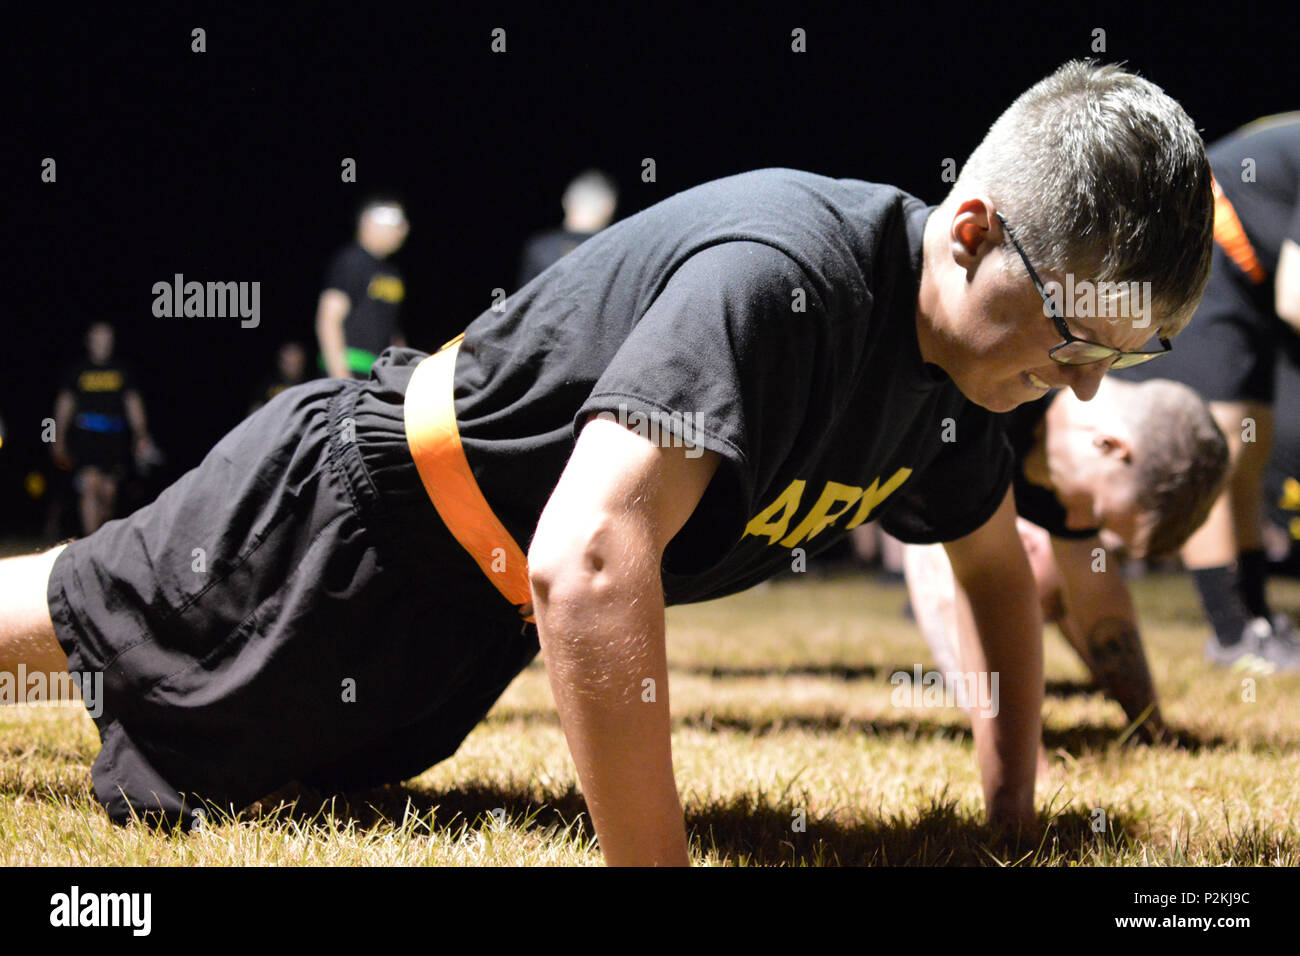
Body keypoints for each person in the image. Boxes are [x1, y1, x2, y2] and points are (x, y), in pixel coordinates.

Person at [0, 62, 1215, 865]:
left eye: (1127, 353)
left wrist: (1010, 812)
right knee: (64, 616)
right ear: (970, 234)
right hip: (349, 509)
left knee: (243, 792)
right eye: (1074, 336)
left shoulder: (956, 390)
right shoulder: (786, 278)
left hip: (462, 618)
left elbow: (998, 573)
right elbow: (588, 556)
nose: (1090, 384)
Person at [904, 377, 1231, 747]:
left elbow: (1098, 601)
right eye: (1095, 511)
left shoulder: (1067, 462)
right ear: (1110, 445)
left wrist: (1152, 728)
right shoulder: (999, 382)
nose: (1078, 524)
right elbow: (958, 583)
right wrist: (1021, 768)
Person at [1117, 113, 1300, 670]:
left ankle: (1258, 620)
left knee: (1250, 445)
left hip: (1246, 273)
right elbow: (1297, 297)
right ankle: (1231, 634)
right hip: (1205, 243)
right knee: (1218, 448)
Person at [51, 322, 155, 535]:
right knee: (90, 485)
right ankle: (90, 543)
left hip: (114, 439)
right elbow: (64, 405)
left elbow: (133, 403)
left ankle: (100, 532)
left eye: (107, 338)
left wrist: (141, 434)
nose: (103, 343)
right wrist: (58, 438)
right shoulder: (78, 371)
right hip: (85, 436)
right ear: (89, 341)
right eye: (98, 338)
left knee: (109, 492)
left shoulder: (121, 371)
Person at [316, 198, 409, 380]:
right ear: (367, 222)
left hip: (379, 374)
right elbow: (328, 320)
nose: (402, 229)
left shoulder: (393, 273)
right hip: (347, 372)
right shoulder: (351, 261)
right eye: (394, 221)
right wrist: (341, 379)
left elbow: (391, 329)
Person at [517, 170, 618, 288]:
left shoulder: (539, 249)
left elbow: (523, 302)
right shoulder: (616, 252)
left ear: (565, 201)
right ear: (609, 207)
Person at [248, 342, 309, 415]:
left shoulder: (309, 386)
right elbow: (254, 412)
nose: (291, 367)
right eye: (287, 363)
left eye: (295, 364)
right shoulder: (268, 386)